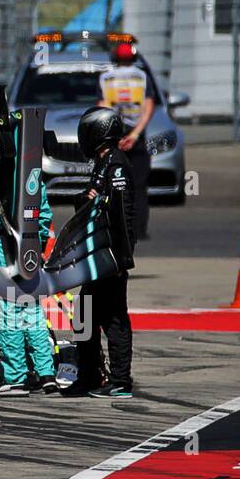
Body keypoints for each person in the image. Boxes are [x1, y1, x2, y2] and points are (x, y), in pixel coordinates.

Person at [70, 107, 137, 399]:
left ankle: (120, 380)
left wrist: (122, 258)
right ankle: (89, 375)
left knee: (114, 318)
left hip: (111, 255)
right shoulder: (102, 163)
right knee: (84, 312)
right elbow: (87, 206)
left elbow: (121, 213)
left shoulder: (117, 165)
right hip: (96, 255)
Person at [0, 164, 57, 396]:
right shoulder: (33, 179)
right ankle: (46, 373)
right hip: (30, 257)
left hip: (7, 257)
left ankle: (16, 376)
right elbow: (44, 216)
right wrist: (37, 244)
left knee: (7, 317)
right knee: (33, 314)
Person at [96, 41, 156, 239]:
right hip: (135, 137)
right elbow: (148, 107)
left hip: (115, 137)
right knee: (138, 186)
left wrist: (116, 136)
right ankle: (139, 229)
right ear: (133, 57)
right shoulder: (142, 77)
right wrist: (135, 134)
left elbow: (103, 107)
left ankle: (115, 226)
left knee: (113, 182)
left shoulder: (106, 78)